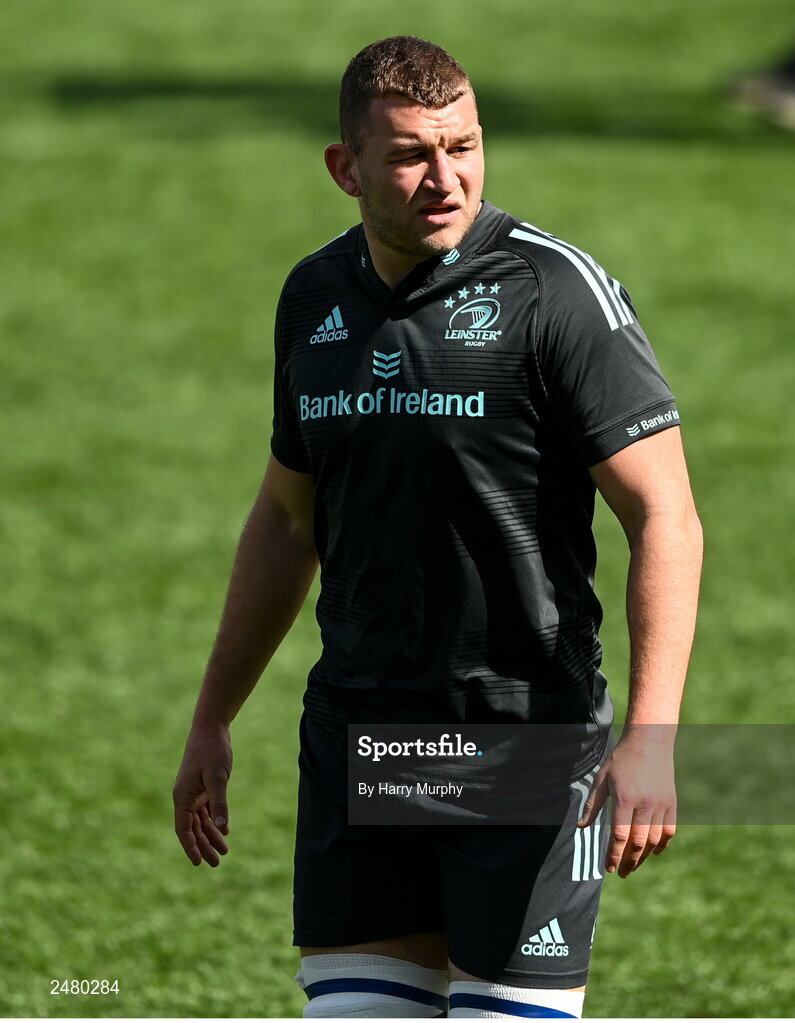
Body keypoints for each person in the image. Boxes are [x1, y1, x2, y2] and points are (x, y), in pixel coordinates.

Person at [172, 36, 703, 1019]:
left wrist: (652, 737)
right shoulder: (313, 300)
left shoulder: (555, 294)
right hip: (363, 742)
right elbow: (289, 522)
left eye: (463, 147)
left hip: (527, 745)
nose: (444, 177)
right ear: (346, 169)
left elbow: (664, 511)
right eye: (413, 154)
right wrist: (213, 717)